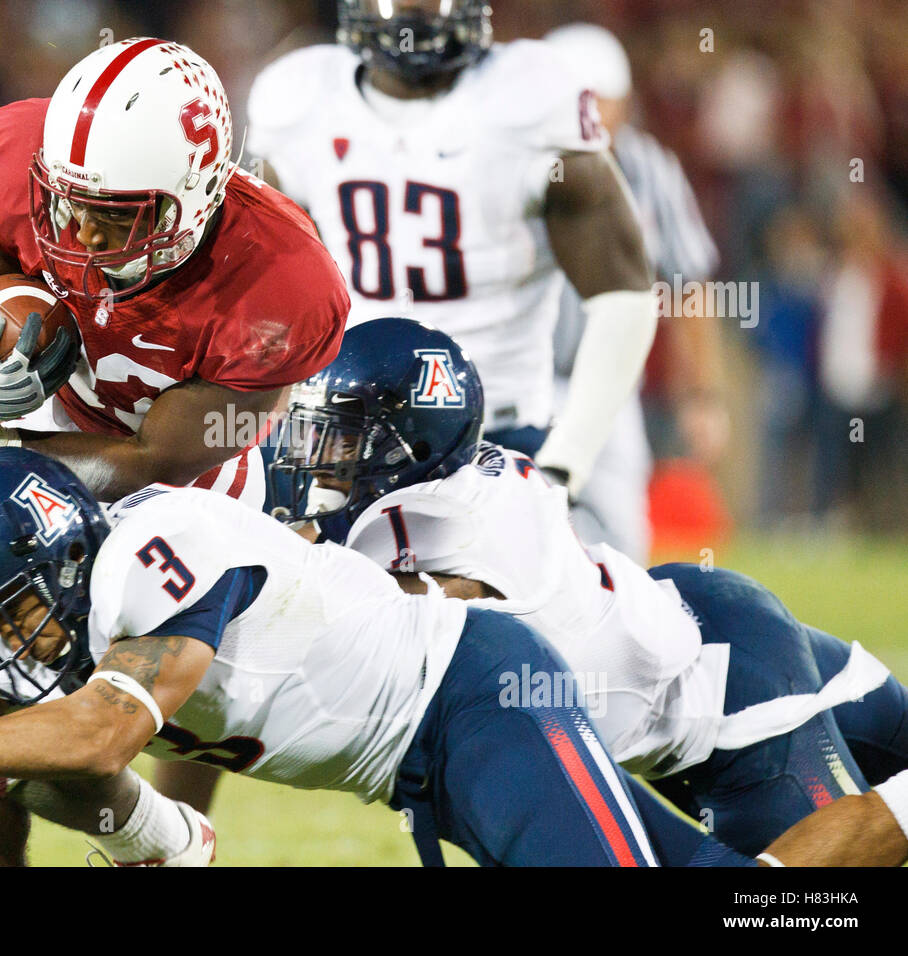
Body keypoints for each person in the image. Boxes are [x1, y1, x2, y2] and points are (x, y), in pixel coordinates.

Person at [0, 447, 908, 867]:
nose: (3, 643)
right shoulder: (58, 599)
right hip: (412, 760)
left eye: (10, 613)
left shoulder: (158, 550)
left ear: (62, 561)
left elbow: (103, 732)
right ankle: (172, 844)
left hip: (471, 700)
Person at [0, 37, 350, 852]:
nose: (75, 234)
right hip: (49, 443)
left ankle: (156, 839)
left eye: (110, 217)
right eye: (65, 203)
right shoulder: (24, 165)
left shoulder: (280, 282)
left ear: (196, 197)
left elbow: (159, 456)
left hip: (188, 499)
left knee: (60, 731)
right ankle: (167, 842)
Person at [268, 317, 908, 856]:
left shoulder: (471, 533)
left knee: (801, 906)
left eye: (345, 434)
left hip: (725, 691)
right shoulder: (442, 487)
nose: (323, 453)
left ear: (414, 440)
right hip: (691, 616)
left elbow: (387, 624)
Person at [246, 0, 655, 507]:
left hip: (495, 433)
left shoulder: (527, 98)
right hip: (348, 425)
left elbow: (624, 294)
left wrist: (566, 458)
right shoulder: (301, 99)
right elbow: (265, 288)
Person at [544, 23, 728, 563]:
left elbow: (690, 288)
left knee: (622, 551)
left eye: (605, 101)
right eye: (583, 101)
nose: (596, 117)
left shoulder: (648, 169)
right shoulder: (509, 165)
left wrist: (703, 394)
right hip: (517, 383)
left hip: (609, 389)